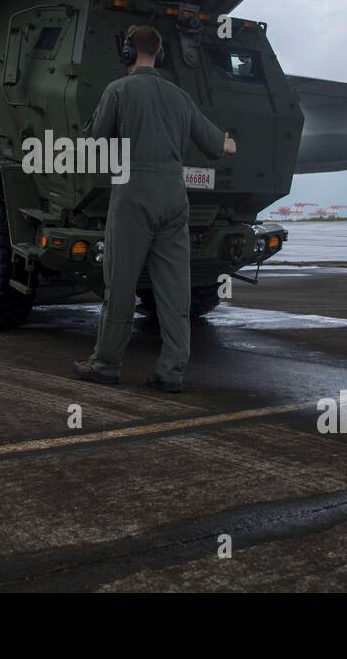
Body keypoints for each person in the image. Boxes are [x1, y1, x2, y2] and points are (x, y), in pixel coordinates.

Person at [73, 25, 237, 392]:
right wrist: (227, 143)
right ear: (159, 55)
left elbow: (94, 141)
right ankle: (171, 372)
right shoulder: (179, 96)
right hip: (174, 196)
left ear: (129, 53)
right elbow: (221, 147)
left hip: (134, 192)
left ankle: (106, 364)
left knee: (120, 282)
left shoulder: (118, 90)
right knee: (175, 287)